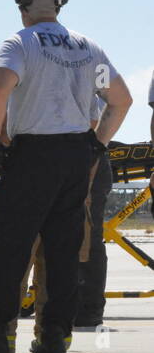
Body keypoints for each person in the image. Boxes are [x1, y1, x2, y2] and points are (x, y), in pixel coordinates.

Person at [0, 0, 132, 353]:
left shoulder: (20, 43)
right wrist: (96, 145)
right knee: (63, 252)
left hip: (32, 154)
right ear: (59, 8)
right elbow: (121, 100)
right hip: (74, 155)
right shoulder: (87, 47)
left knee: (8, 249)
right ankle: (54, 339)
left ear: (24, 9)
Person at [75, 93, 114, 327]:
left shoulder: (89, 91)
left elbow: (96, 136)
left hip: (91, 162)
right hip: (73, 161)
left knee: (89, 239)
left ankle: (89, 308)